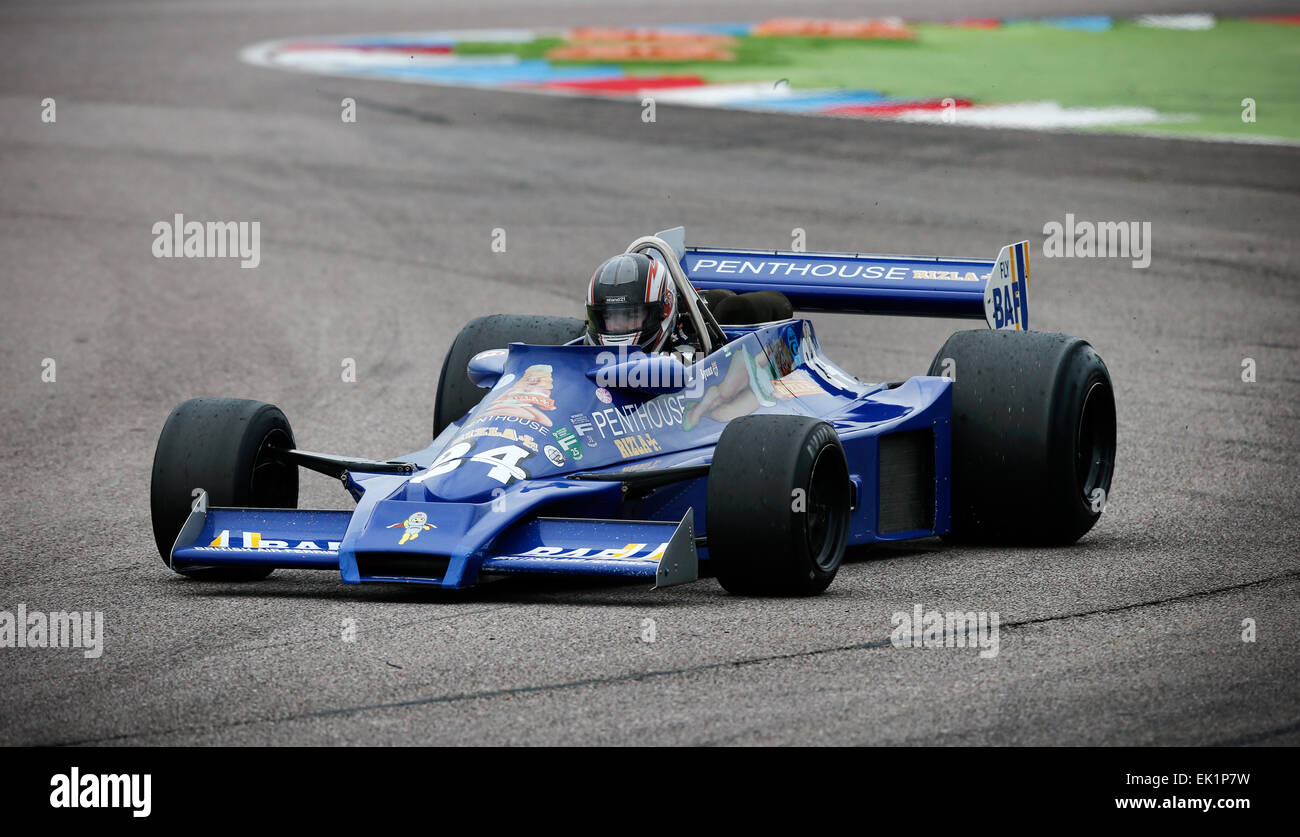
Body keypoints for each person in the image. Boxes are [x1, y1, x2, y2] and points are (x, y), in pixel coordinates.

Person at [584, 252, 696, 355]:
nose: (619, 325)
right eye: (609, 316)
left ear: (665, 310)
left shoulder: (688, 361)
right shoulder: (579, 356)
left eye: (632, 316)